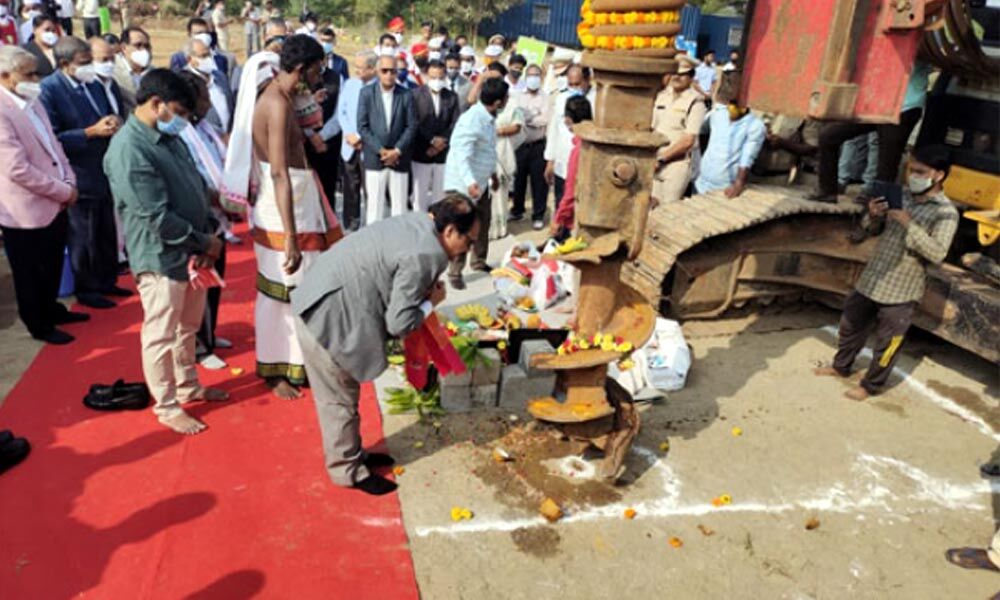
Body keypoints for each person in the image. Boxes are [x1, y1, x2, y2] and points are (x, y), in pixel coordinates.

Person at [290, 194, 478, 495]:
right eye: (469, 241)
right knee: (338, 401)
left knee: (344, 396)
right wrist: (429, 303)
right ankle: (347, 470)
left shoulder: (420, 222)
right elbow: (399, 323)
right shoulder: (427, 253)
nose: (468, 249)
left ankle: (354, 453)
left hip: (326, 294)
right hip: (326, 317)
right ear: (450, 231)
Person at [103, 69, 230, 434]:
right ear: (156, 104)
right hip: (161, 256)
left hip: (191, 250)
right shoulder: (129, 148)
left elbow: (194, 185)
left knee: (187, 327)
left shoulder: (168, 136)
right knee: (161, 333)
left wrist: (207, 231)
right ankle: (167, 404)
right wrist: (204, 241)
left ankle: (188, 386)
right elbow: (154, 216)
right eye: (179, 112)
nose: (184, 120)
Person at [235, 35, 342, 399]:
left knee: (303, 288)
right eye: (316, 69)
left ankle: (299, 363)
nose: (319, 76)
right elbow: (279, 173)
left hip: (299, 201)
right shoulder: (276, 104)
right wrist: (291, 237)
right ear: (300, 68)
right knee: (278, 292)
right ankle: (274, 368)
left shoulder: (286, 97)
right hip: (283, 209)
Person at [814, 147, 958, 401]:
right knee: (850, 324)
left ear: (939, 175)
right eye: (911, 170)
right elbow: (869, 231)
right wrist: (873, 215)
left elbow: (937, 253)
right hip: (873, 278)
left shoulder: (945, 213)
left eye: (920, 172)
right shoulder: (900, 195)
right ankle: (841, 366)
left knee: (888, 342)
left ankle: (870, 385)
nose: (913, 176)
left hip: (902, 289)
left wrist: (907, 223)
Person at [0, 45, 86, 345]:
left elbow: (54, 146)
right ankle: (38, 323)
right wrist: (62, 190)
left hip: (55, 200)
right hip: (24, 210)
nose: (35, 80)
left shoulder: (33, 102)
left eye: (36, 73)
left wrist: (69, 180)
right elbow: (17, 168)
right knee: (30, 272)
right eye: (28, 74)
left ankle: (51, 309)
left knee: (51, 264)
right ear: (5, 76)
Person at [40, 36, 127, 310]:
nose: (90, 66)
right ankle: (87, 288)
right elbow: (51, 138)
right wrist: (90, 132)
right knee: (84, 235)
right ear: (65, 64)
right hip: (78, 172)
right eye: (84, 62)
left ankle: (107, 280)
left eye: (90, 61)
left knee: (105, 230)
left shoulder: (93, 84)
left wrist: (112, 122)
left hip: (103, 168)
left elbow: (109, 112)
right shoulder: (49, 90)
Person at [811, 61, 931, 203]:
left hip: (905, 105)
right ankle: (828, 191)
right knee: (828, 135)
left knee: (888, 162)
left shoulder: (926, 48)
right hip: (877, 102)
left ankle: (880, 206)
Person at [177, 70, 233, 370]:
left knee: (215, 277)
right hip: (199, 213)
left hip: (217, 213)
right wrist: (213, 196)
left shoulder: (205, 128)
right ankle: (199, 346)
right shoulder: (179, 133)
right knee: (199, 279)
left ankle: (209, 334)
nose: (209, 103)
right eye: (204, 97)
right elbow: (191, 176)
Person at [443, 77, 507, 289]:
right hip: (463, 184)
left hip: (481, 182)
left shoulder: (489, 117)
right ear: (498, 102)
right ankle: (455, 272)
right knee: (462, 228)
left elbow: (487, 150)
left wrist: (493, 175)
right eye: (506, 98)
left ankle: (478, 261)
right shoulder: (472, 120)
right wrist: (470, 182)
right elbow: (461, 155)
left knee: (482, 222)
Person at [357, 53, 417, 223]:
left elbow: (411, 126)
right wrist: (381, 150)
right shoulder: (366, 93)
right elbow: (362, 126)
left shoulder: (406, 94)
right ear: (377, 71)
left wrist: (396, 151)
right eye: (384, 71)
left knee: (399, 210)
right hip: (375, 158)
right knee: (374, 209)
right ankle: (373, 240)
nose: (389, 75)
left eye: (393, 71)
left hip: (399, 159)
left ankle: (398, 241)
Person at [694, 72, 766, 198]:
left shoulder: (755, 125)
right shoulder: (717, 114)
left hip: (724, 188)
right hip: (701, 182)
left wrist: (738, 184)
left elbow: (747, 157)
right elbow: (703, 132)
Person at [650, 57, 706, 203]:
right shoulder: (662, 96)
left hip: (676, 164)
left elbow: (688, 141)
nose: (677, 77)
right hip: (654, 162)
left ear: (691, 77)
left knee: (668, 208)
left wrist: (661, 159)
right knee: (650, 207)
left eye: (682, 74)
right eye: (674, 73)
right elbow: (652, 127)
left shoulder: (696, 102)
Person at [411, 58, 459, 213]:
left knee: (440, 196)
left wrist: (441, 143)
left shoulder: (451, 97)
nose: (437, 81)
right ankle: (419, 223)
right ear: (426, 75)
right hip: (421, 153)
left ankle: (437, 224)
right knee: (419, 196)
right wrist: (431, 140)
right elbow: (414, 123)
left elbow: (455, 123)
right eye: (433, 77)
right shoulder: (415, 95)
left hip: (443, 155)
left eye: (440, 77)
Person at [544, 64, 594, 211]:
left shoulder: (597, 101)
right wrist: (550, 161)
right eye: (570, 84)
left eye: (577, 84)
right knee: (561, 203)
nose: (573, 88)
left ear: (587, 80)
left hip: (585, 163)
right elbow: (554, 130)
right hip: (562, 161)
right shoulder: (561, 99)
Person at [336, 50, 375, 232]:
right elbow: (341, 111)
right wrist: (349, 133)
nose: (357, 70)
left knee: (370, 189)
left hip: (369, 146)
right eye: (356, 66)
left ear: (372, 69)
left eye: (361, 67)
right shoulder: (350, 84)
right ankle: (350, 224)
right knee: (350, 186)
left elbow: (377, 118)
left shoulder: (379, 88)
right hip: (349, 145)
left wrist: (360, 137)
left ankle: (370, 225)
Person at [304, 30, 342, 211]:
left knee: (327, 189)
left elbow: (339, 113)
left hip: (328, 143)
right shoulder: (303, 78)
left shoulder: (336, 77)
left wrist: (322, 136)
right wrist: (311, 135)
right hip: (305, 141)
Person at [484, 63, 523, 240]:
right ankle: (486, 229)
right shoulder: (483, 103)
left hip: (502, 150)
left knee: (500, 191)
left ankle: (500, 228)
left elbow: (517, 126)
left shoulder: (512, 104)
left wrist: (497, 131)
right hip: (485, 152)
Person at [510, 62, 549, 228]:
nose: (533, 79)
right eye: (530, 75)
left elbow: (545, 119)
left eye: (536, 75)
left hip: (538, 145)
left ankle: (538, 215)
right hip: (520, 144)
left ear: (541, 78)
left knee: (539, 182)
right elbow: (516, 116)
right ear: (526, 78)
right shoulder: (517, 96)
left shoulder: (546, 98)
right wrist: (534, 117)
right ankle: (517, 210)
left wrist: (529, 119)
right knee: (518, 180)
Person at [551, 94, 593, 240]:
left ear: (569, 119)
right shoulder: (593, 143)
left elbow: (571, 190)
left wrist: (558, 219)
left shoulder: (580, 149)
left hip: (581, 214)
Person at [183, 37, 233, 132]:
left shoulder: (220, 77)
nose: (209, 59)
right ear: (189, 59)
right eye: (203, 56)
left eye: (209, 54)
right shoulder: (185, 83)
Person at [112, 26, 151, 115]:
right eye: (138, 45)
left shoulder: (153, 72)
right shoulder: (113, 73)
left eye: (146, 46)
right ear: (124, 48)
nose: (143, 50)